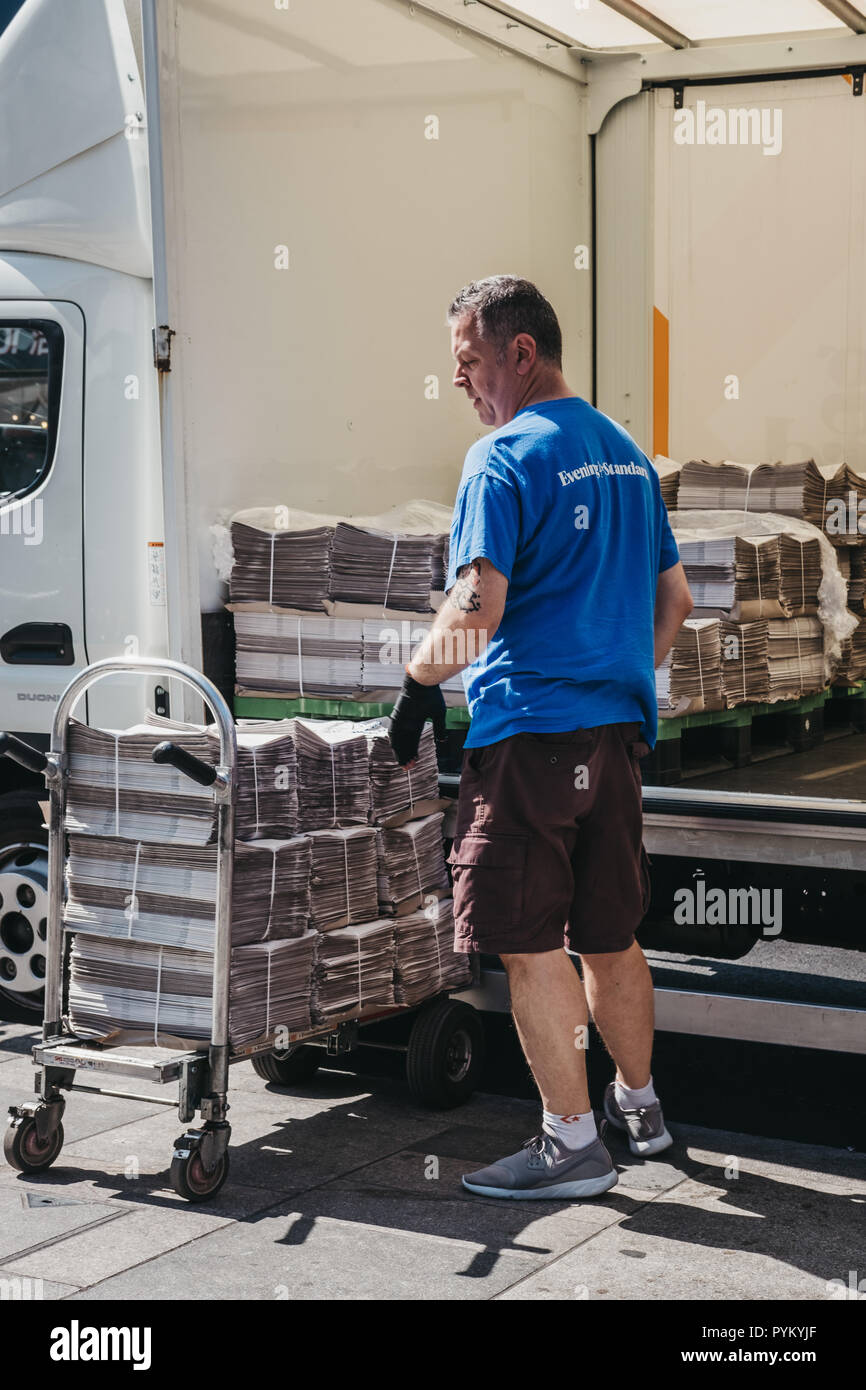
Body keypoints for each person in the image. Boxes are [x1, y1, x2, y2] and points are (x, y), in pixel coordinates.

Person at [389, 275, 693, 1200]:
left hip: (530, 741)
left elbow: (478, 606)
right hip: (614, 736)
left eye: (470, 363)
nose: (461, 384)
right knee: (610, 935)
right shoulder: (627, 456)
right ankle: (638, 1114)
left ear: (522, 354)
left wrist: (414, 682)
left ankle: (571, 1145)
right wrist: (613, 669)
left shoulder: (503, 455)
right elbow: (674, 599)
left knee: (528, 943)